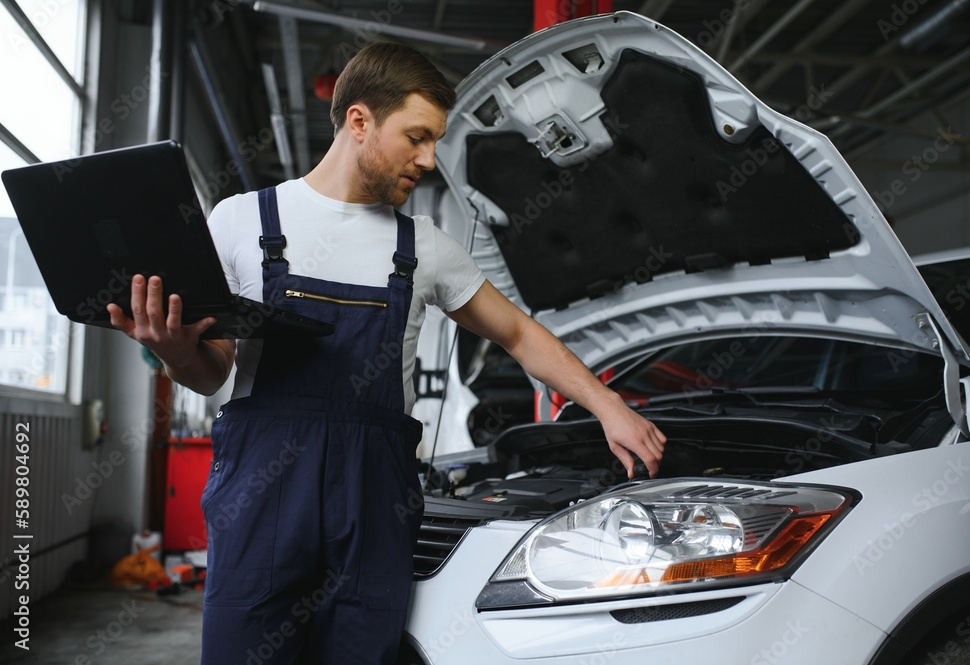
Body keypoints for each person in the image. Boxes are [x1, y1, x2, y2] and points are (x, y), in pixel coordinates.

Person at [108, 42, 666, 665]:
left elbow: (515, 332)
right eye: (417, 137)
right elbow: (210, 371)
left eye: (435, 142)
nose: (428, 159)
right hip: (262, 495)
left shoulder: (423, 246)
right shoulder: (241, 221)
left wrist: (607, 403)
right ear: (359, 122)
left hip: (372, 500)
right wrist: (173, 351)